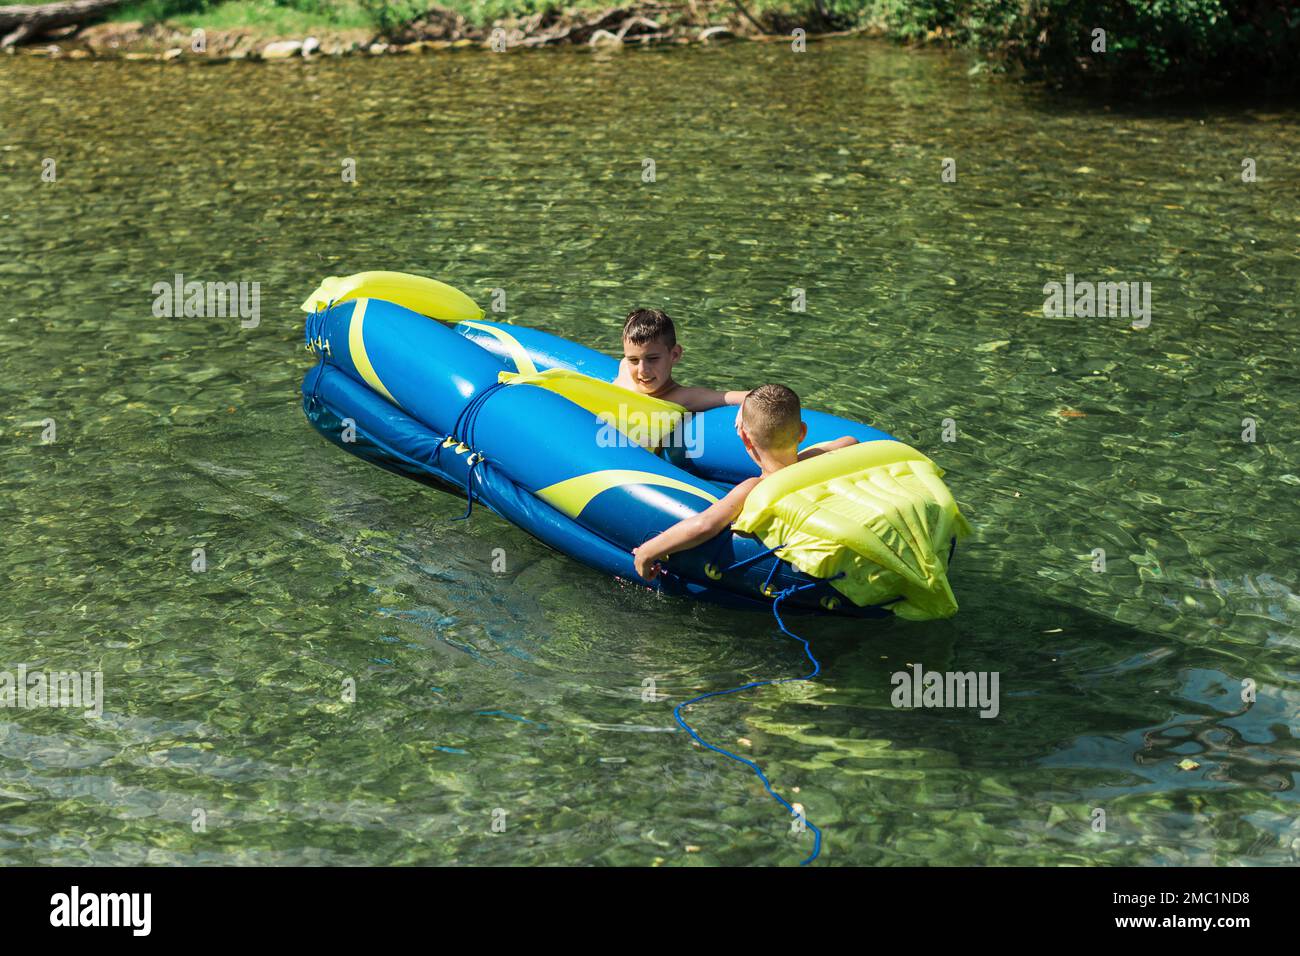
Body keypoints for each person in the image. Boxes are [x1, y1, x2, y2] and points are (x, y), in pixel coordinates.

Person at [632, 384, 858, 581]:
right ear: (802, 432)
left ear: (745, 438)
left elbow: (705, 525)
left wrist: (648, 552)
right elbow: (850, 440)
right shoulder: (818, 461)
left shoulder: (754, 488)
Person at [613, 308, 749, 413]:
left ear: (675, 354)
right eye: (634, 360)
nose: (642, 371)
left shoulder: (683, 397)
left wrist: (745, 412)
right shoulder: (625, 368)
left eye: (653, 359)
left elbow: (746, 397)